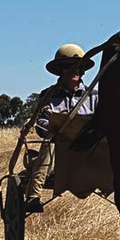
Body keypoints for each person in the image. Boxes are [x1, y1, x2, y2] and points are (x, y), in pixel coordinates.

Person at [24, 44, 96, 213]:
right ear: (60, 70)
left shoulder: (95, 95)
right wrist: (55, 124)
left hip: (91, 152)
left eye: (79, 67)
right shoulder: (48, 95)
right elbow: (40, 122)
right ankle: (34, 196)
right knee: (51, 137)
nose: (74, 71)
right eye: (68, 66)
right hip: (59, 153)